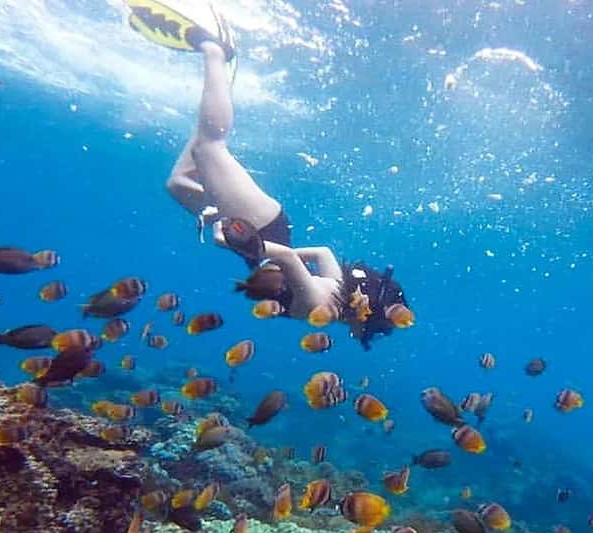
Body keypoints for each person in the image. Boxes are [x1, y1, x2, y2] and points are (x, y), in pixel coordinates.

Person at [127, 0, 409, 349]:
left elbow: (321, 252)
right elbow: (288, 258)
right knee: (210, 148)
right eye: (362, 332)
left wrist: (259, 251)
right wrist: (252, 245)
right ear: (363, 320)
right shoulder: (319, 308)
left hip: (267, 233)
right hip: (261, 230)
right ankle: (215, 48)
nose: (354, 335)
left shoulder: (337, 293)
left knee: (180, 183)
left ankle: (218, 91)